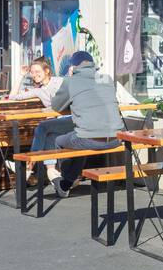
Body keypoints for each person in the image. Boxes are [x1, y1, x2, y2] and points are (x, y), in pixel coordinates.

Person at [47, 51, 124, 197]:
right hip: (116, 138)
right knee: (79, 137)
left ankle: (66, 182)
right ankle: (70, 179)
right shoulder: (106, 78)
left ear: (73, 67)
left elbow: (56, 106)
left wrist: (70, 78)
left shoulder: (71, 81)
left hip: (90, 140)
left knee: (59, 140)